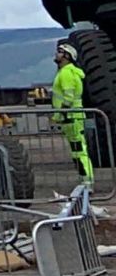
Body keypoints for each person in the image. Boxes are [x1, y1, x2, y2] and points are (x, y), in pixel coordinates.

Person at [54, 38, 92, 182]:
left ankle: (86, 180)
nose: (56, 54)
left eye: (60, 52)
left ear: (67, 56)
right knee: (78, 150)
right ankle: (86, 180)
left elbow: (68, 98)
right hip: (73, 116)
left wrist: (62, 113)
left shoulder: (66, 74)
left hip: (71, 117)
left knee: (78, 151)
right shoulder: (71, 72)